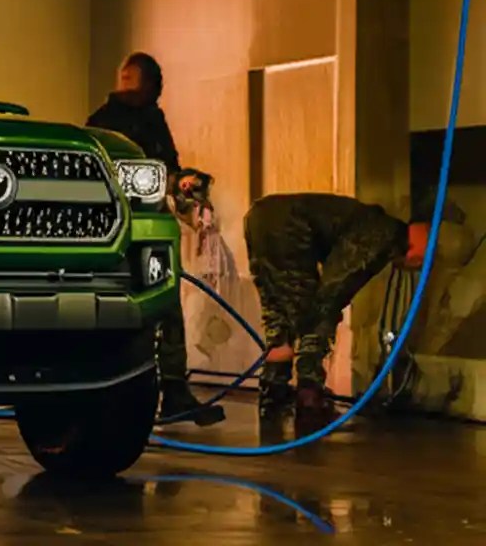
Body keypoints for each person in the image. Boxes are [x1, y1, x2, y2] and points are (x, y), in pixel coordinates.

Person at [86, 52, 222, 426]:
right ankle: (157, 388)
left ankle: (166, 390)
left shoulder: (102, 123)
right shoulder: (125, 122)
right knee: (157, 307)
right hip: (136, 231)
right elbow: (165, 172)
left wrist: (189, 188)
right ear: (147, 84)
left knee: (159, 307)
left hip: (122, 232)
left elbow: (170, 173)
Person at [243, 193, 429, 429]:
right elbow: (332, 290)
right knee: (317, 307)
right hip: (289, 226)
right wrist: (323, 324)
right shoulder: (380, 235)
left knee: (278, 309)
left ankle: (273, 395)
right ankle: (308, 399)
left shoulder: (374, 227)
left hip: (260, 215)